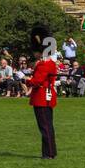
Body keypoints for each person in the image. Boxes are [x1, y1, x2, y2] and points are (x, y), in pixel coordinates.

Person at [25, 25, 58, 158]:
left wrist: (26, 80)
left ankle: (48, 153)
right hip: (46, 96)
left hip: (42, 97)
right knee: (47, 126)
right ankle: (51, 152)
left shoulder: (45, 64)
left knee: (45, 127)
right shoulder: (46, 63)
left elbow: (37, 81)